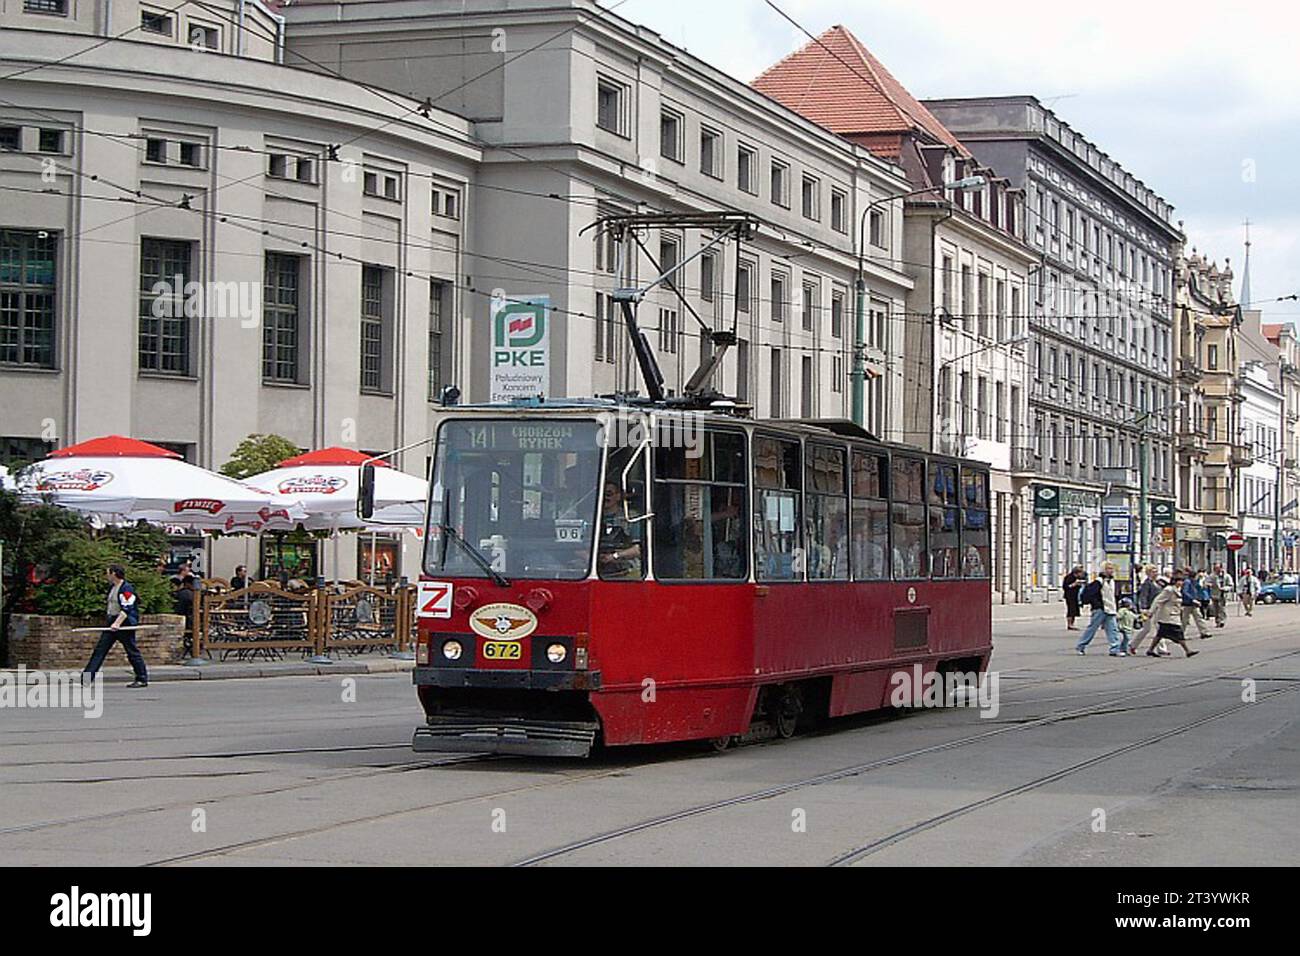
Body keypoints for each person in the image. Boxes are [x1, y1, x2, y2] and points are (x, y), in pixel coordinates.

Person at [83, 565, 149, 687]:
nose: (106, 576)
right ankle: (86, 678)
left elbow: (127, 608)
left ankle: (142, 678)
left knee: (132, 651)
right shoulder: (112, 588)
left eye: (108, 573)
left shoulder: (127, 588)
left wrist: (117, 623)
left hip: (124, 622)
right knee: (100, 650)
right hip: (112, 621)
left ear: (114, 573)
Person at [1146, 570, 1199, 659]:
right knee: (1178, 633)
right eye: (1179, 581)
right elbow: (1158, 600)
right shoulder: (1169, 590)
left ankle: (1150, 650)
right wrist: (1151, 612)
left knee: (1160, 634)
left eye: (1182, 581)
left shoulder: (1177, 590)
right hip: (1168, 616)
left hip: (1173, 615)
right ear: (1174, 581)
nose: (1181, 583)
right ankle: (1187, 650)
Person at [597, 481, 643, 579]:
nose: (605, 497)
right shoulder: (589, 518)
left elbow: (638, 549)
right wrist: (588, 557)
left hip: (626, 568)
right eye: (601, 493)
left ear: (618, 496)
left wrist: (615, 556)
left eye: (609, 494)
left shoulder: (631, 517)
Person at [1076, 562, 1123, 656]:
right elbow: (1090, 594)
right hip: (1100, 609)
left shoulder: (1112, 582)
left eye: (1111, 568)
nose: (1111, 571)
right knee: (1092, 628)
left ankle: (1115, 648)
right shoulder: (1098, 581)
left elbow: (1115, 595)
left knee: (1113, 629)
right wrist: (1097, 604)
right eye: (1108, 569)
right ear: (1103, 570)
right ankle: (1081, 646)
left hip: (1111, 608)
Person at [1128, 565, 1163, 655]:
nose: (1155, 573)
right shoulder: (1147, 583)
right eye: (1153, 571)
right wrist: (1143, 608)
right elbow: (1143, 596)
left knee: (1159, 628)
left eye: (1156, 571)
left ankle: (1161, 649)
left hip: (1157, 609)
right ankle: (1132, 645)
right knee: (1146, 629)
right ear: (1148, 573)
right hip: (1148, 609)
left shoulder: (1159, 583)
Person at [1180, 567, 1212, 638]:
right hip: (1188, 603)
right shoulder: (1187, 582)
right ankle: (1180, 634)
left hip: (1194, 603)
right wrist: (1192, 599)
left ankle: (1204, 632)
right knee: (1184, 620)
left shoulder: (1193, 582)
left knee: (1199, 617)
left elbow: (1198, 589)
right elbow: (1185, 592)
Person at [1205, 563, 1228, 628]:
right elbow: (1207, 582)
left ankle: (1222, 620)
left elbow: (1230, 584)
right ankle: (1217, 621)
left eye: (1218, 568)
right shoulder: (1212, 576)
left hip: (1223, 594)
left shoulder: (1226, 576)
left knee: (1222, 608)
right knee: (1216, 609)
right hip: (1215, 594)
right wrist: (1210, 584)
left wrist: (1225, 588)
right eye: (1215, 568)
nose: (1217, 570)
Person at [1063, 566, 1084, 631]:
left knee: (1075, 610)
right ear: (1076, 573)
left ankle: (1072, 623)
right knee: (1070, 610)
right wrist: (1073, 584)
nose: (1081, 574)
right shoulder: (1069, 577)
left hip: (1076, 596)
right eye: (1080, 573)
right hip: (1069, 596)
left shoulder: (1078, 578)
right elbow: (1065, 587)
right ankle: (1069, 624)